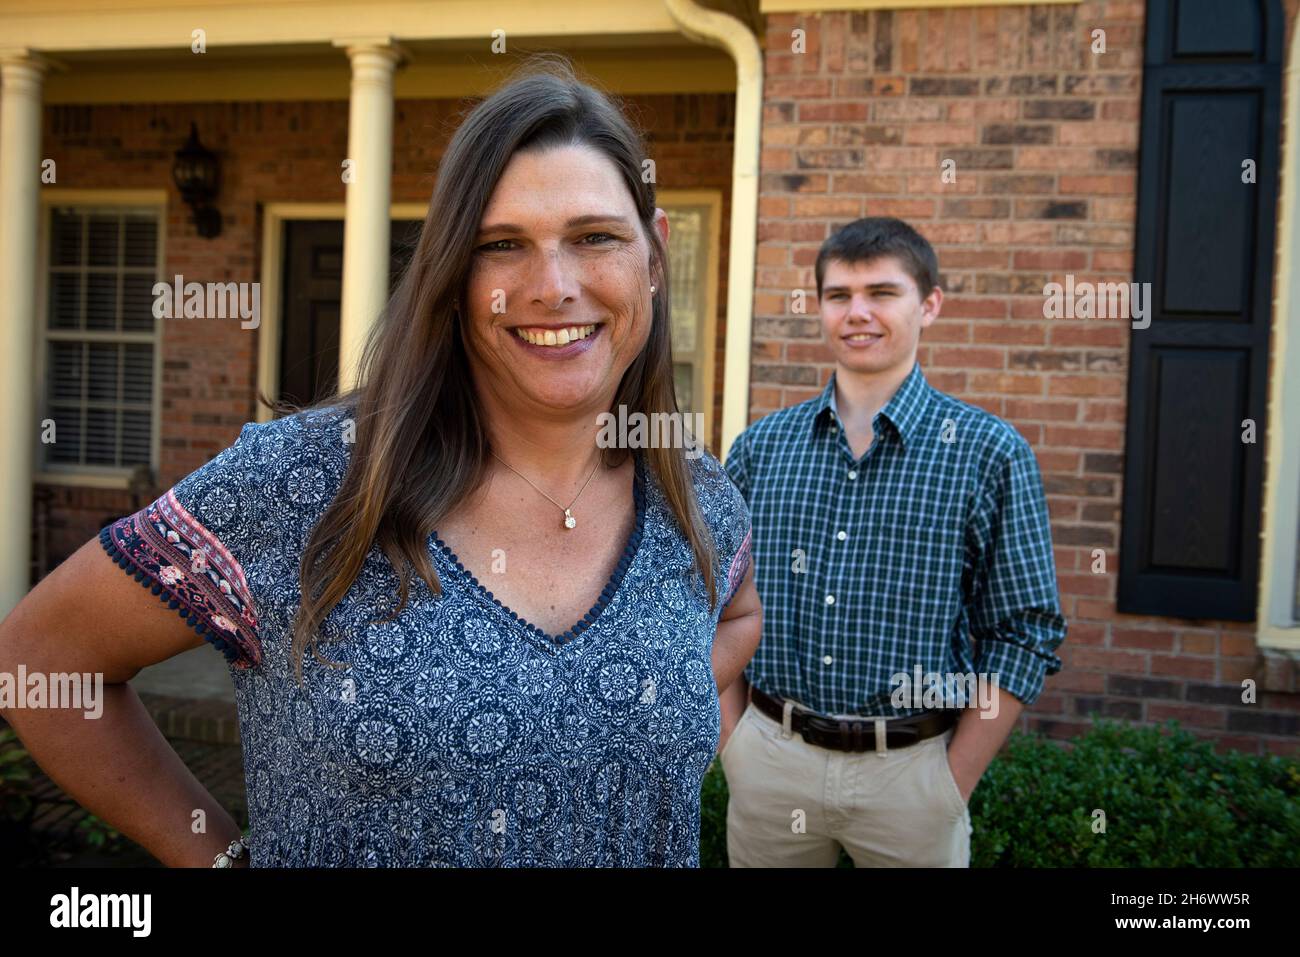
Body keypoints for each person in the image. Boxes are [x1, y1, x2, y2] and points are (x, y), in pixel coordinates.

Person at [0, 60, 760, 868]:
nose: (552, 285)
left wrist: (631, 723)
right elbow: (38, 659)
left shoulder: (696, 496)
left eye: (595, 236)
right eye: (501, 245)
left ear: (654, 253)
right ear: (453, 276)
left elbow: (738, 615)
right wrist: (218, 859)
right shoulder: (307, 483)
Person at [718, 217, 1066, 867]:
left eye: (882, 293)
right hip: (771, 760)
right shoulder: (759, 450)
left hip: (913, 775)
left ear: (929, 303)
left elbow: (1025, 630)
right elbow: (716, 602)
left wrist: (950, 782)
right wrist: (734, 741)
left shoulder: (990, 454)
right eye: (838, 295)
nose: (857, 313)